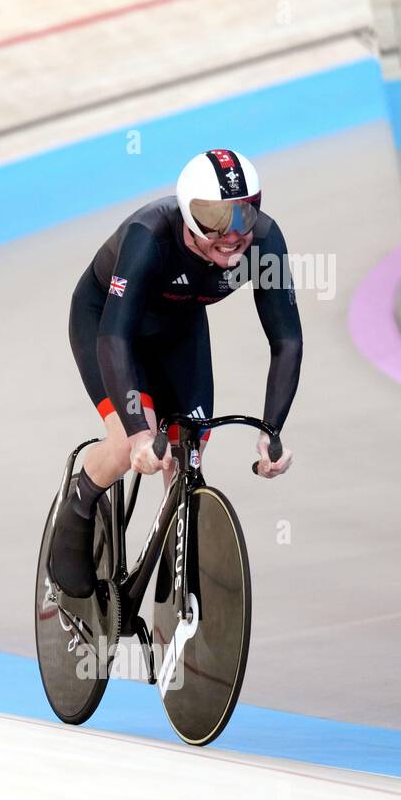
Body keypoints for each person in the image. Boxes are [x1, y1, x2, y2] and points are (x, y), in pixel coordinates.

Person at [50, 149, 301, 598]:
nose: (233, 235)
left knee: (190, 449)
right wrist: (138, 432)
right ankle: (80, 500)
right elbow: (114, 337)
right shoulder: (150, 235)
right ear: (187, 215)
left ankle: (176, 547)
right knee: (133, 446)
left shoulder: (264, 242)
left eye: (244, 212)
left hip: (178, 326)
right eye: (215, 219)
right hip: (106, 322)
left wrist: (272, 429)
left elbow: (286, 340)